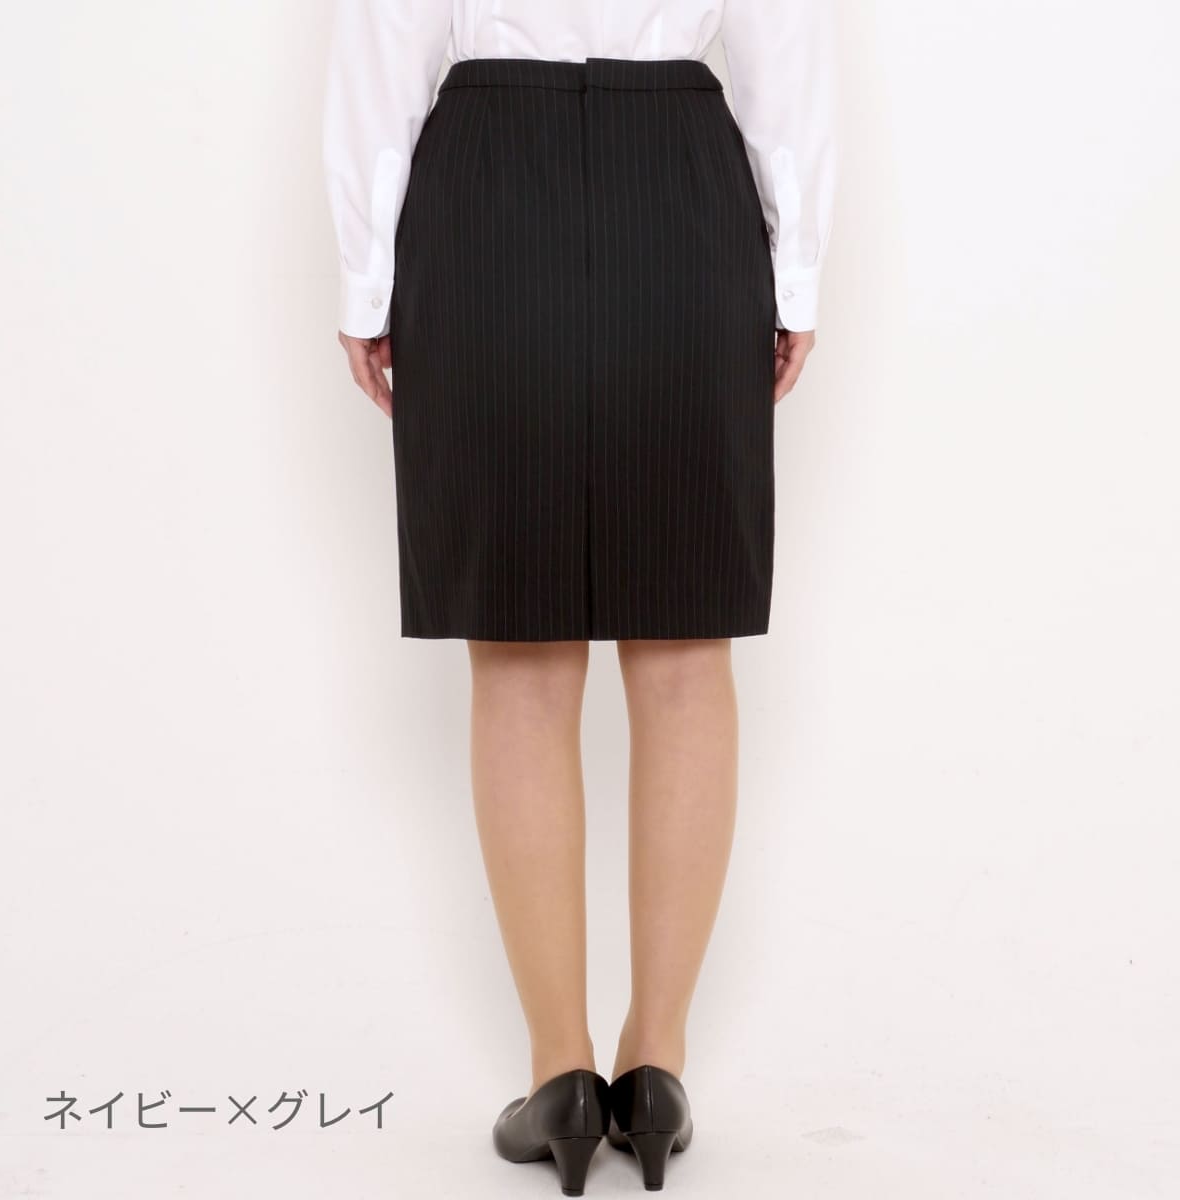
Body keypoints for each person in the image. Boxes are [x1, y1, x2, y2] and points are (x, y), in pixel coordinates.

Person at [322, 1, 836, 1193]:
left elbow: (384, 42)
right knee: (685, 654)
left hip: (488, 192)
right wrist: (797, 268)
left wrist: (365, 280)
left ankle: (560, 1075)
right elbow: (785, 42)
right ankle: (654, 1070)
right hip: (683, 186)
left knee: (519, 657)